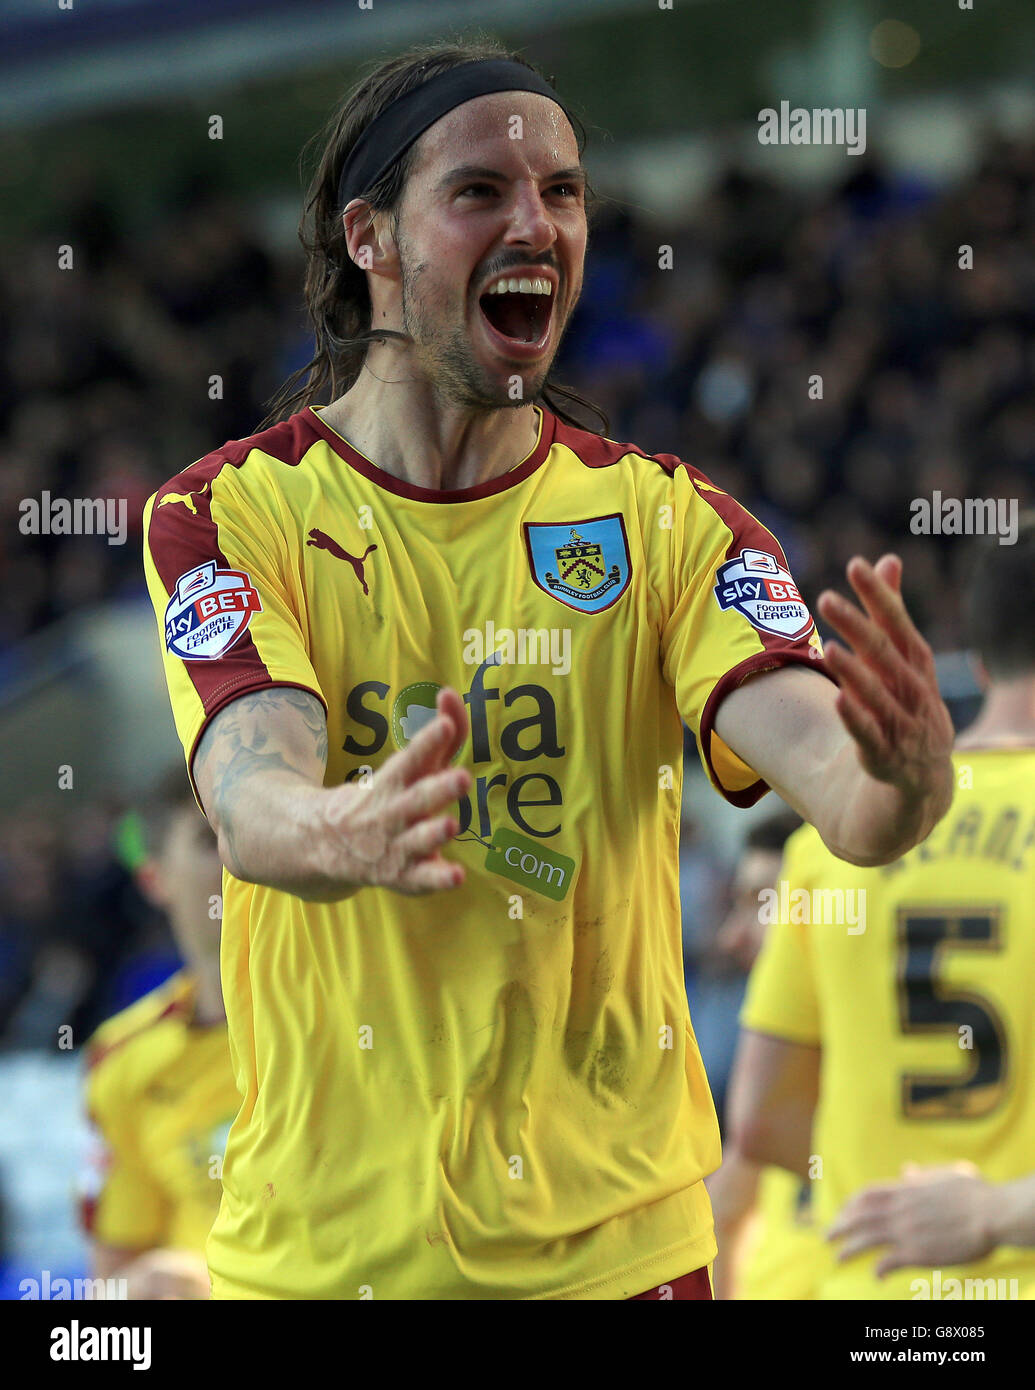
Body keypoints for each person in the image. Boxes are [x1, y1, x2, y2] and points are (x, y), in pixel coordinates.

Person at [142, 39, 953, 1300]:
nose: (539, 222)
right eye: (480, 192)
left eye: (563, 192)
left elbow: (848, 800)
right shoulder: (227, 512)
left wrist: (906, 777)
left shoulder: (676, 525)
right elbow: (254, 800)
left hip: (617, 1260)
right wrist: (343, 825)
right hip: (321, 1259)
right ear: (371, 239)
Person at [731, 515, 1035, 1298]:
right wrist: (996, 1208)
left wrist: (889, 1197)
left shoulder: (827, 845)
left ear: (974, 653)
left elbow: (761, 1117)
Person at [78, 772, 236, 1299]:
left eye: (257, 831)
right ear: (154, 878)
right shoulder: (122, 1056)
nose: (245, 858)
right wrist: (147, 1285)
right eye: (209, 838)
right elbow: (111, 1281)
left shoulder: (368, 1015)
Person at [701, 810, 828, 1300]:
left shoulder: (886, 1056)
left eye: (763, 902)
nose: (734, 936)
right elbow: (725, 1212)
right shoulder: (778, 1071)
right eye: (738, 903)